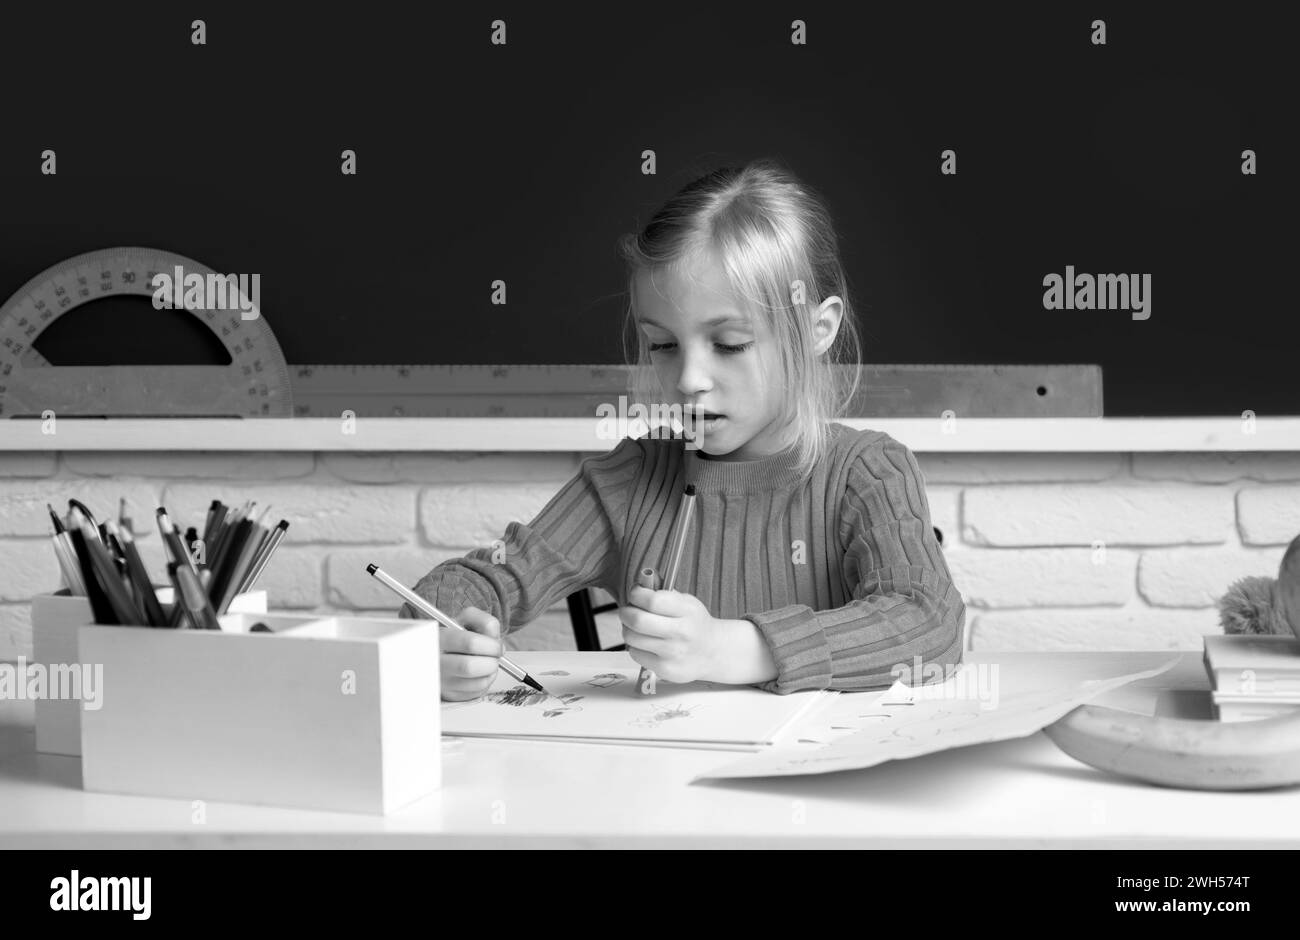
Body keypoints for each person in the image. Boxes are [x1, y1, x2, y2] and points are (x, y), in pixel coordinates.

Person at [399, 159, 966, 701]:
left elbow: (930, 624)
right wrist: (440, 642)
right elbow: (473, 583)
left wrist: (730, 648)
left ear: (817, 330)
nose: (689, 379)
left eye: (729, 344)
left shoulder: (866, 471)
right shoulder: (634, 476)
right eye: (664, 345)